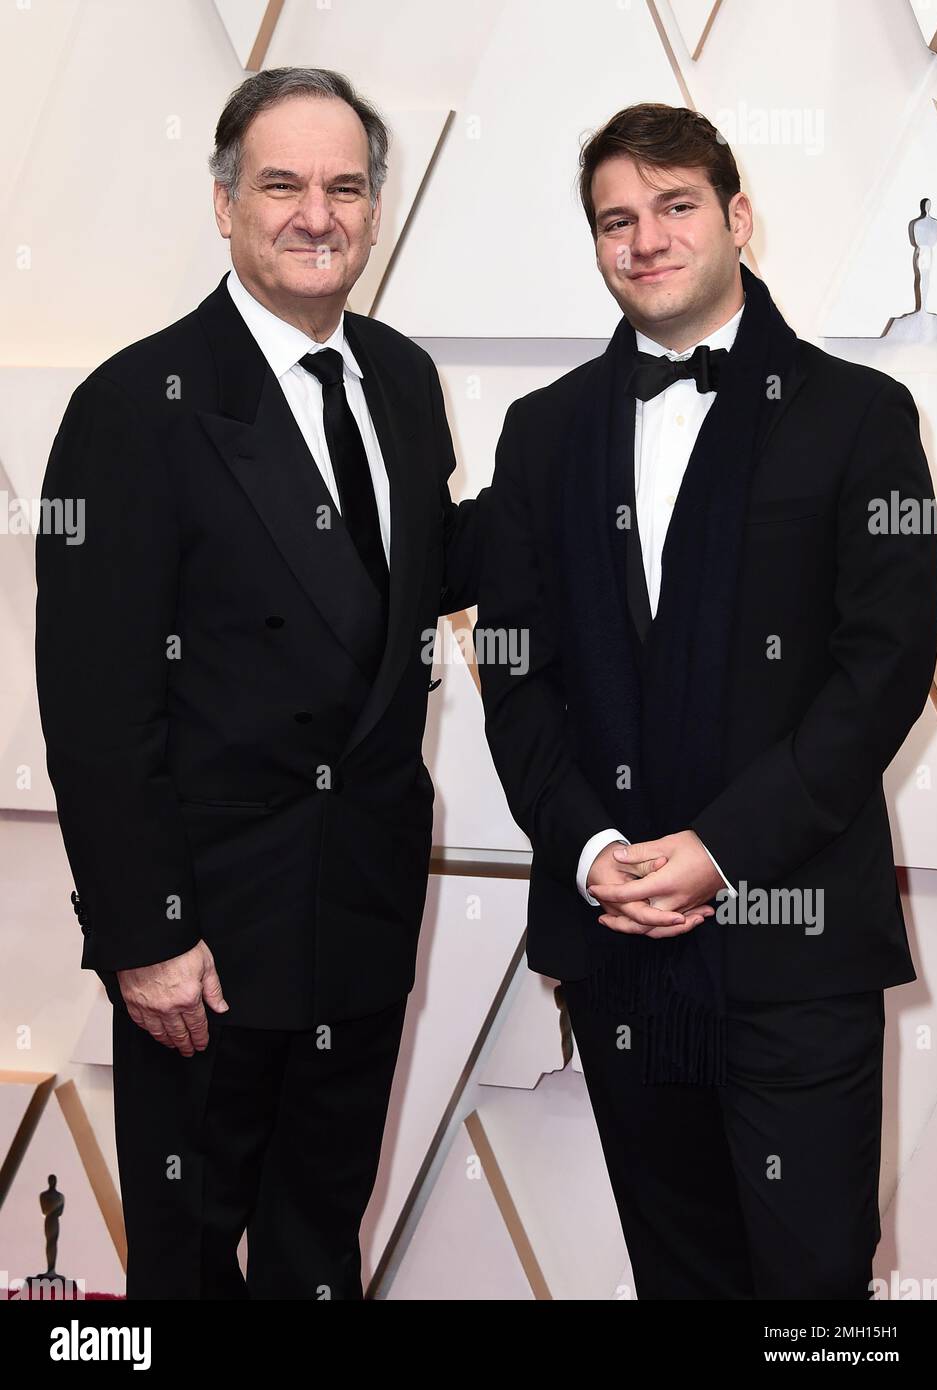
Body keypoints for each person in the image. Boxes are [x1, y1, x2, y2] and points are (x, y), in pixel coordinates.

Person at [476, 102, 937, 1299]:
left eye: (675, 205)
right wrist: (585, 850)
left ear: (737, 215)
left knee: (815, 1287)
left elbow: (880, 668)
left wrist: (724, 850)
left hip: (793, 939)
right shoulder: (542, 435)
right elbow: (517, 668)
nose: (645, 239)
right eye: (614, 220)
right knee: (677, 1280)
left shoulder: (861, 415)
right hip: (617, 944)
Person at [35, 66, 484, 1300]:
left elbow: (412, 580)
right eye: (281, 183)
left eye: (344, 186)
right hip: (207, 941)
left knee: (318, 1249)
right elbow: (91, 700)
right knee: (185, 1261)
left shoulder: (398, 378)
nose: (315, 213)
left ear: (376, 210)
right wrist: (145, 935)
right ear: (224, 201)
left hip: (362, 909)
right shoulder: (135, 404)